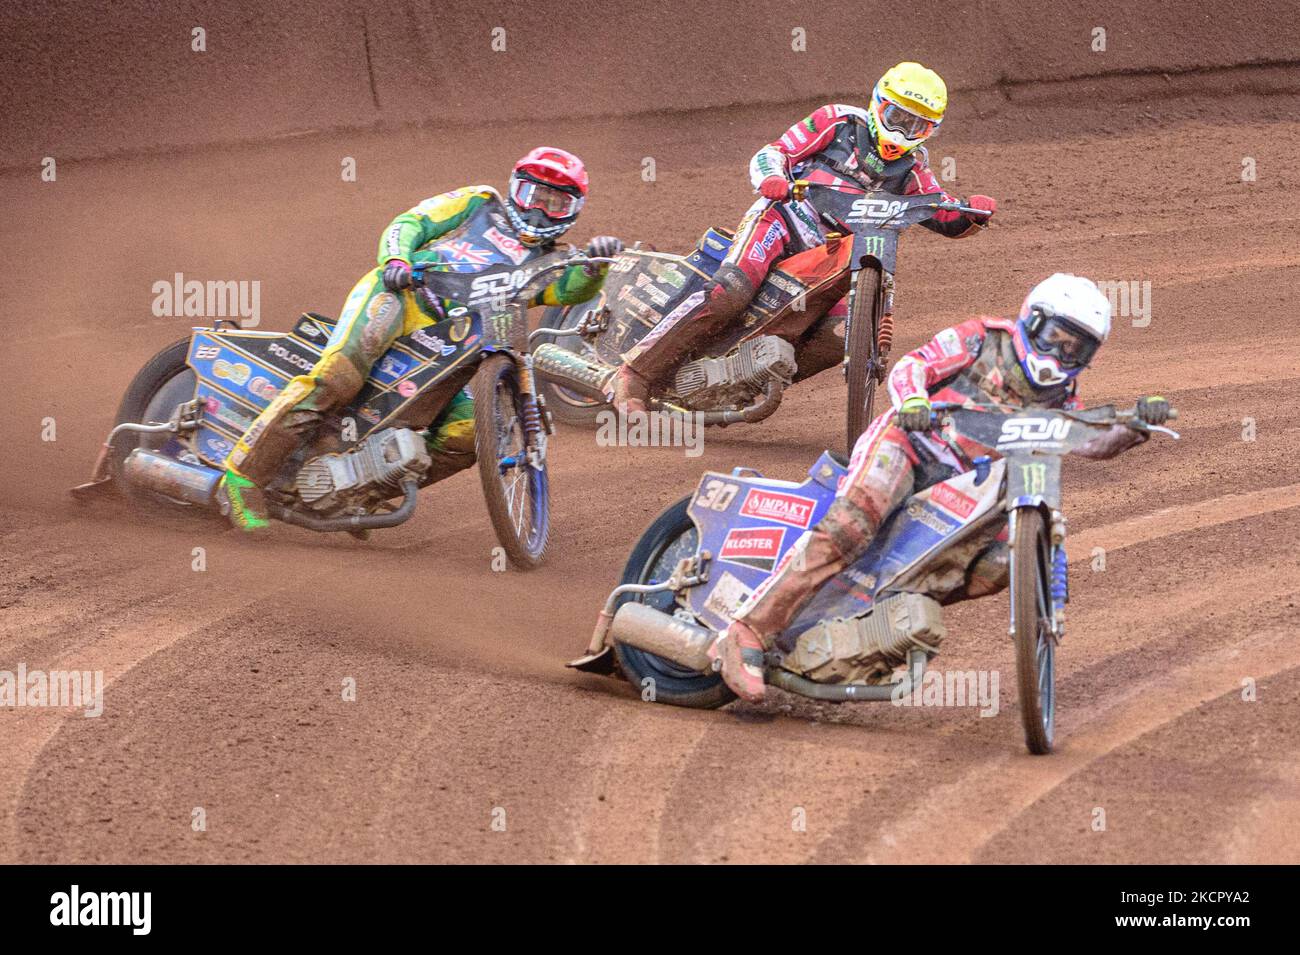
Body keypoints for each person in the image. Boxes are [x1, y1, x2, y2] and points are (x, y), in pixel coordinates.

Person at [709, 273, 1173, 701]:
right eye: (1056, 340)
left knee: (998, 564)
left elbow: (1089, 441)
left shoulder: (1061, 397)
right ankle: (747, 632)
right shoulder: (982, 338)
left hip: (959, 491)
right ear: (1033, 321)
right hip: (909, 446)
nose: (1061, 357)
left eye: (1077, 351)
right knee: (853, 525)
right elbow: (914, 365)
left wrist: (1135, 426)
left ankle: (867, 622)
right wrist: (912, 401)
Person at [216, 147, 622, 531]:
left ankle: (359, 494)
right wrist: (396, 260)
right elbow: (411, 222)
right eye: (531, 193)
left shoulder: (554, 260)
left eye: (554, 202)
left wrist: (596, 267)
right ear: (514, 187)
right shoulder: (478, 203)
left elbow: (569, 292)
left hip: (456, 347)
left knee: (469, 435)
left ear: (573, 211)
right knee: (338, 377)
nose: (537, 208)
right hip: (402, 300)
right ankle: (241, 478)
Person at [609, 61, 997, 412]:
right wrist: (773, 179)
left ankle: (741, 382)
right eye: (896, 116)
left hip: (835, 253)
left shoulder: (913, 173)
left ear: (931, 130)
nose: (901, 132)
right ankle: (635, 374)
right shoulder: (838, 122)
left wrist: (972, 212)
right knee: (732, 291)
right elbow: (773, 152)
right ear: (878, 104)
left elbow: (942, 211)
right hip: (785, 219)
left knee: (840, 336)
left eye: (916, 126)